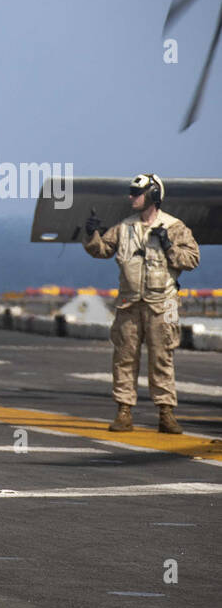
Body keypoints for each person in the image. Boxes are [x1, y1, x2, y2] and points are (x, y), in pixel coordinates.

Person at [83, 174, 200, 434]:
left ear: (153, 196)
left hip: (165, 303)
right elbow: (102, 250)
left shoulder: (174, 227)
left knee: (162, 357)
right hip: (129, 303)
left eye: (137, 193)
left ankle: (166, 412)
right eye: (131, 192)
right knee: (124, 357)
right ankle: (124, 411)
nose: (131, 197)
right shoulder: (124, 227)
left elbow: (191, 259)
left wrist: (169, 246)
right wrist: (91, 234)